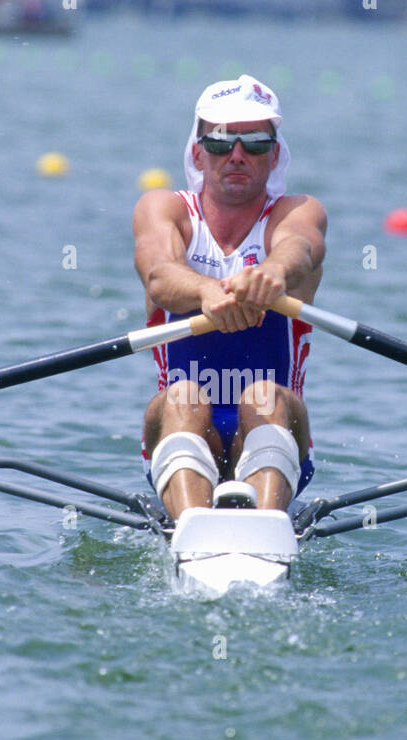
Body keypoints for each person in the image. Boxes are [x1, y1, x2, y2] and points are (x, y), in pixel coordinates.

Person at [135, 74, 327, 519]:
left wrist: (272, 275)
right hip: (180, 430)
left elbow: (300, 248)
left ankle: (264, 527)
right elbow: (160, 277)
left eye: (256, 142)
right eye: (221, 142)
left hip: (277, 431)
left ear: (275, 154)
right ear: (198, 152)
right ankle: (193, 530)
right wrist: (208, 291)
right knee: (185, 397)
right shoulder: (165, 210)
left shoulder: (297, 212)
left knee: (264, 396)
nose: (236, 155)